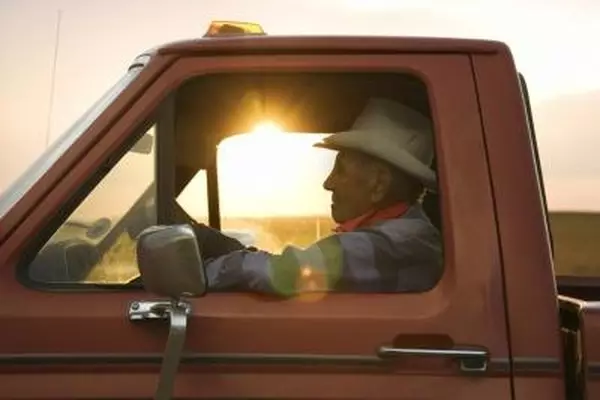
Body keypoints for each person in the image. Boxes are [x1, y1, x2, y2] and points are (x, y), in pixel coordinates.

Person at [193, 98, 443, 296]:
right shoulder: (405, 238)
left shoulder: (396, 245)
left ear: (378, 183)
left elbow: (289, 271)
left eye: (340, 170)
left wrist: (197, 274)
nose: (328, 183)